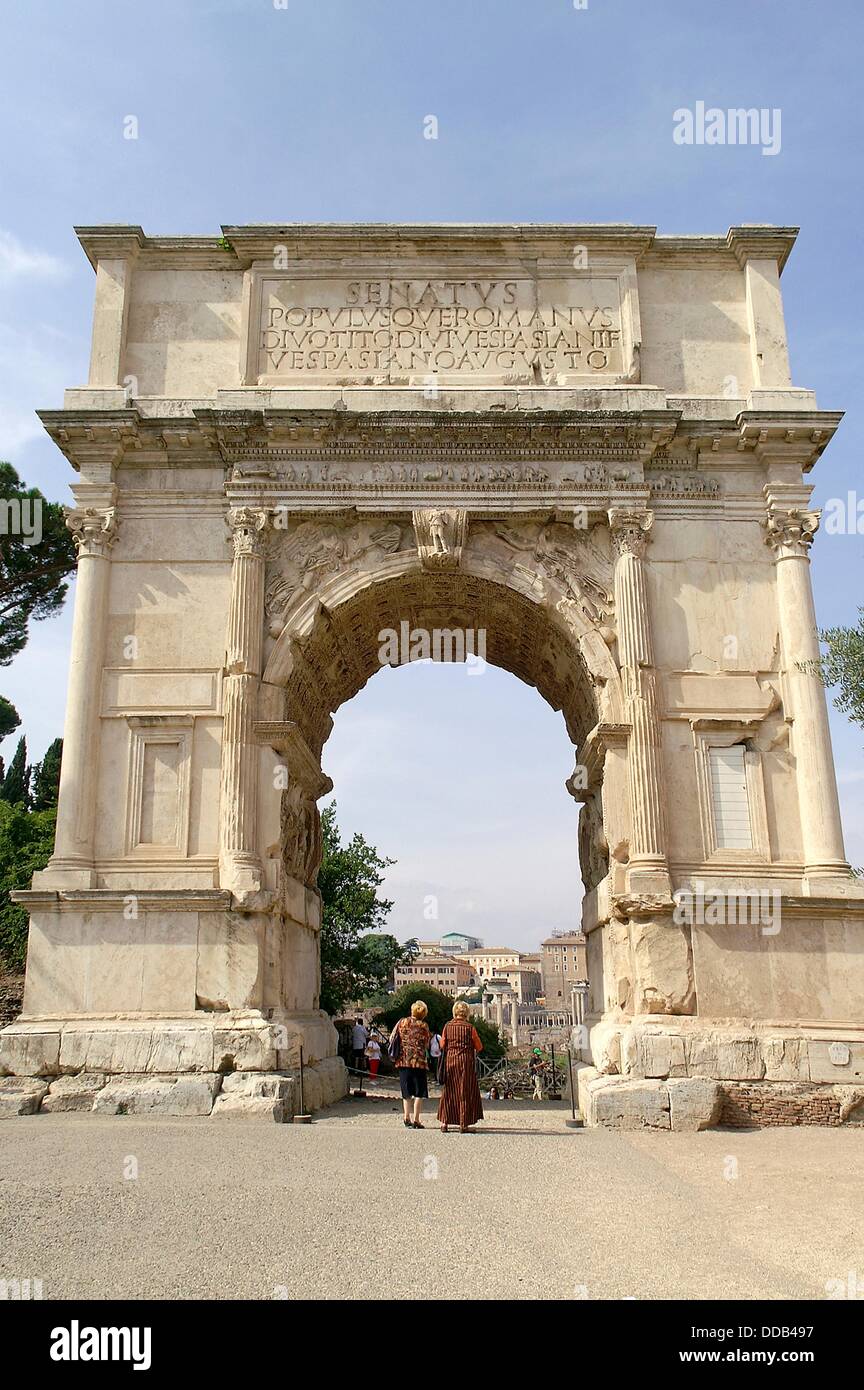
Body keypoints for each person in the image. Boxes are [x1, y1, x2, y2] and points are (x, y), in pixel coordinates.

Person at [438, 1000, 484, 1133]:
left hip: (450, 1061)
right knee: (464, 1091)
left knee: (449, 1091)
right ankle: (463, 1124)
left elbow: (442, 1045)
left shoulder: (447, 1026)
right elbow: (479, 1046)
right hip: (465, 1062)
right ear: (466, 1013)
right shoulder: (470, 1028)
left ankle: (444, 1123)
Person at [390, 1000, 431, 1128]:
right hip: (419, 1062)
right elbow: (427, 1044)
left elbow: (393, 1037)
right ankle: (416, 1120)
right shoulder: (424, 1026)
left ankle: (406, 1117)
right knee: (419, 1092)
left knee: (406, 1091)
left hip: (403, 1061)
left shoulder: (402, 1022)